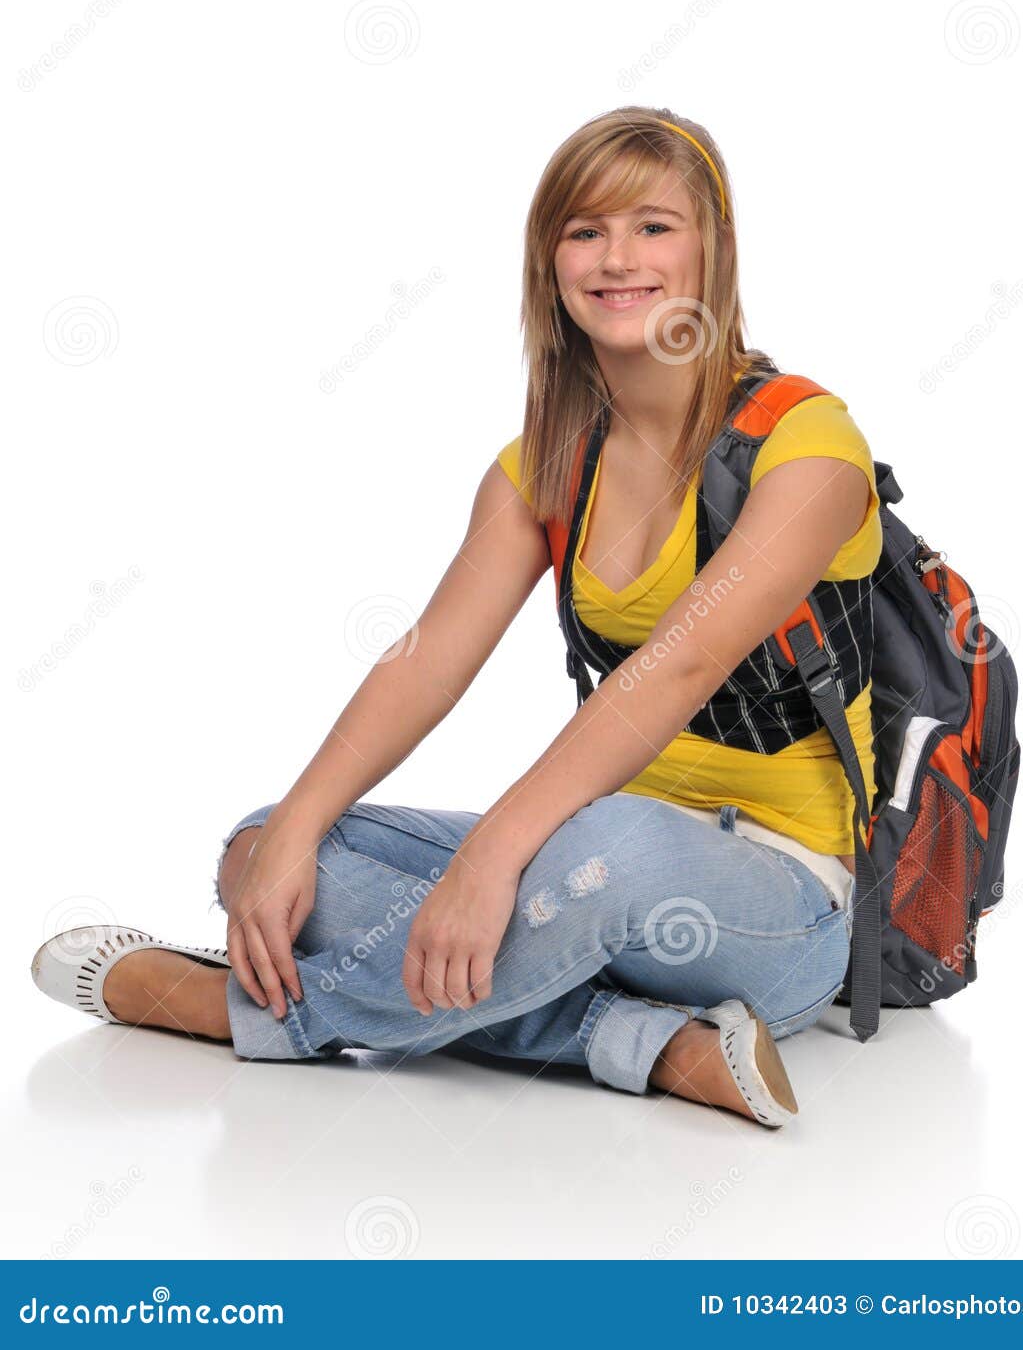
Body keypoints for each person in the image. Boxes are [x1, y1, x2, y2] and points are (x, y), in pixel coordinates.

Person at [32, 106, 881, 1129]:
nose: (617, 258)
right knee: (261, 850)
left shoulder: (808, 444)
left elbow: (683, 664)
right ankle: (643, 1042)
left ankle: (242, 1011)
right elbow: (427, 658)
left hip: (778, 905)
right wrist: (299, 825)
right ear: (548, 260)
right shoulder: (544, 464)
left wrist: (490, 860)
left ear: (715, 248)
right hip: (577, 862)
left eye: (653, 226)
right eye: (583, 230)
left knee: (602, 850)